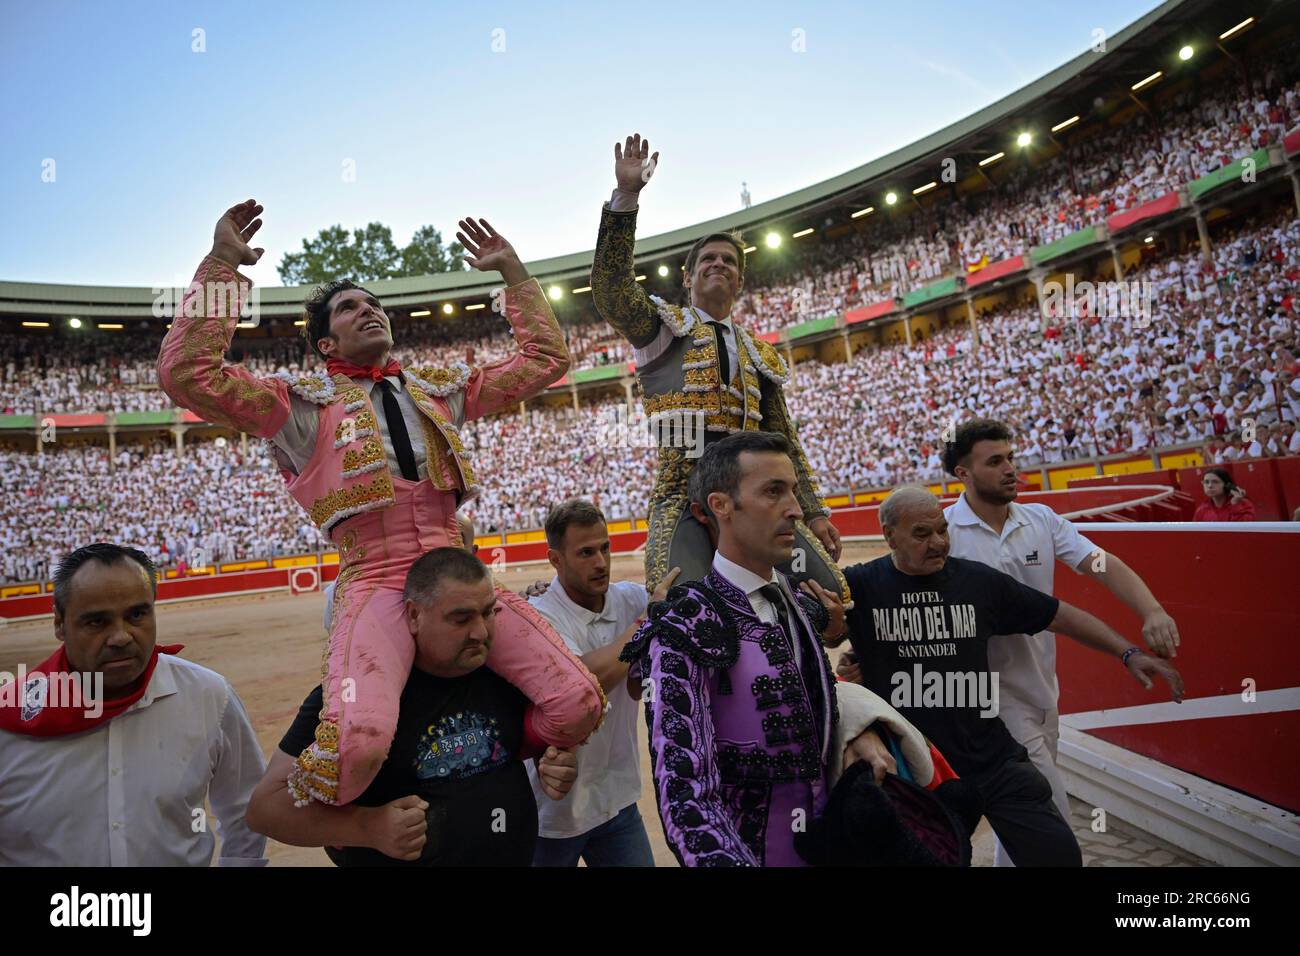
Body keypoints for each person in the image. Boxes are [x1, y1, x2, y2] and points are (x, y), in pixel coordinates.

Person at [158, 200, 604, 806]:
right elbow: (186, 372)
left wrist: (514, 276)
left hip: (459, 572)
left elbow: (547, 361)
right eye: (349, 308)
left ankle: (501, 745)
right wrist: (222, 267)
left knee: (578, 702)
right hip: (375, 581)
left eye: (373, 304)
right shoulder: (298, 408)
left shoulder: (438, 391)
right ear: (324, 341)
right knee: (357, 746)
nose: (368, 310)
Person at [621, 432, 939, 866]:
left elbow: (812, 697)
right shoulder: (683, 624)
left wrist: (856, 729)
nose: (795, 509)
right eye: (773, 491)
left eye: (793, 490)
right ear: (721, 506)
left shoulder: (796, 603)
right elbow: (685, 795)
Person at [838, 485, 1185, 866]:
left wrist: (1127, 652)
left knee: (1059, 856)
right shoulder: (859, 587)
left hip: (992, 760)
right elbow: (810, 628)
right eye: (922, 534)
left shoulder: (978, 582)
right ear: (890, 536)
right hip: (916, 768)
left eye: (942, 530)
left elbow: (1059, 615)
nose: (938, 542)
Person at [590, 134, 846, 597]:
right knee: (683, 605)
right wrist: (626, 197)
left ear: (740, 281)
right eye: (707, 258)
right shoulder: (663, 328)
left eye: (729, 261)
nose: (718, 264)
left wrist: (814, 511)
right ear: (687, 277)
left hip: (761, 495)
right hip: (685, 495)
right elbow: (611, 290)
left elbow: (785, 439)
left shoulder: (760, 353)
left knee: (831, 599)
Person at [939, 418, 1181, 866]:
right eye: (995, 461)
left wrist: (1151, 610)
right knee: (1050, 821)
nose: (1011, 468)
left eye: (1011, 458)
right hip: (986, 703)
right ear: (962, 473)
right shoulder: (943, 532)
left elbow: (1100, 564)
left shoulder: (1041, 520)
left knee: (1023, 819)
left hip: (1043, 690)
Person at [246, 548, 580, 866]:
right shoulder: (355, 698)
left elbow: (517, 747)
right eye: (461, 619)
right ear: (414, 615)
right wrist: (366, 827)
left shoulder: (504, 678)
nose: (480, 632)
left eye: (488, 612)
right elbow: (266, 809)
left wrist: (550, 763)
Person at [0, 543, 267, 865]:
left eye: (137, 615)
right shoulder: (8, 721)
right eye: (97, 622)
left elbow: (245, 811)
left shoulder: (209, 695)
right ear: (59, 624)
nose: (121, 637)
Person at [527, 498, 673, 867]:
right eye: (586, 552)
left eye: (605, 548)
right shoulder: (540, 616)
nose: (601, 562)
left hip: (617, 801)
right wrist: (647, 622)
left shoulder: (631, 599)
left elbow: (639, 682)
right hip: (552, 813)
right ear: (555, 560)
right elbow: (582, 684)